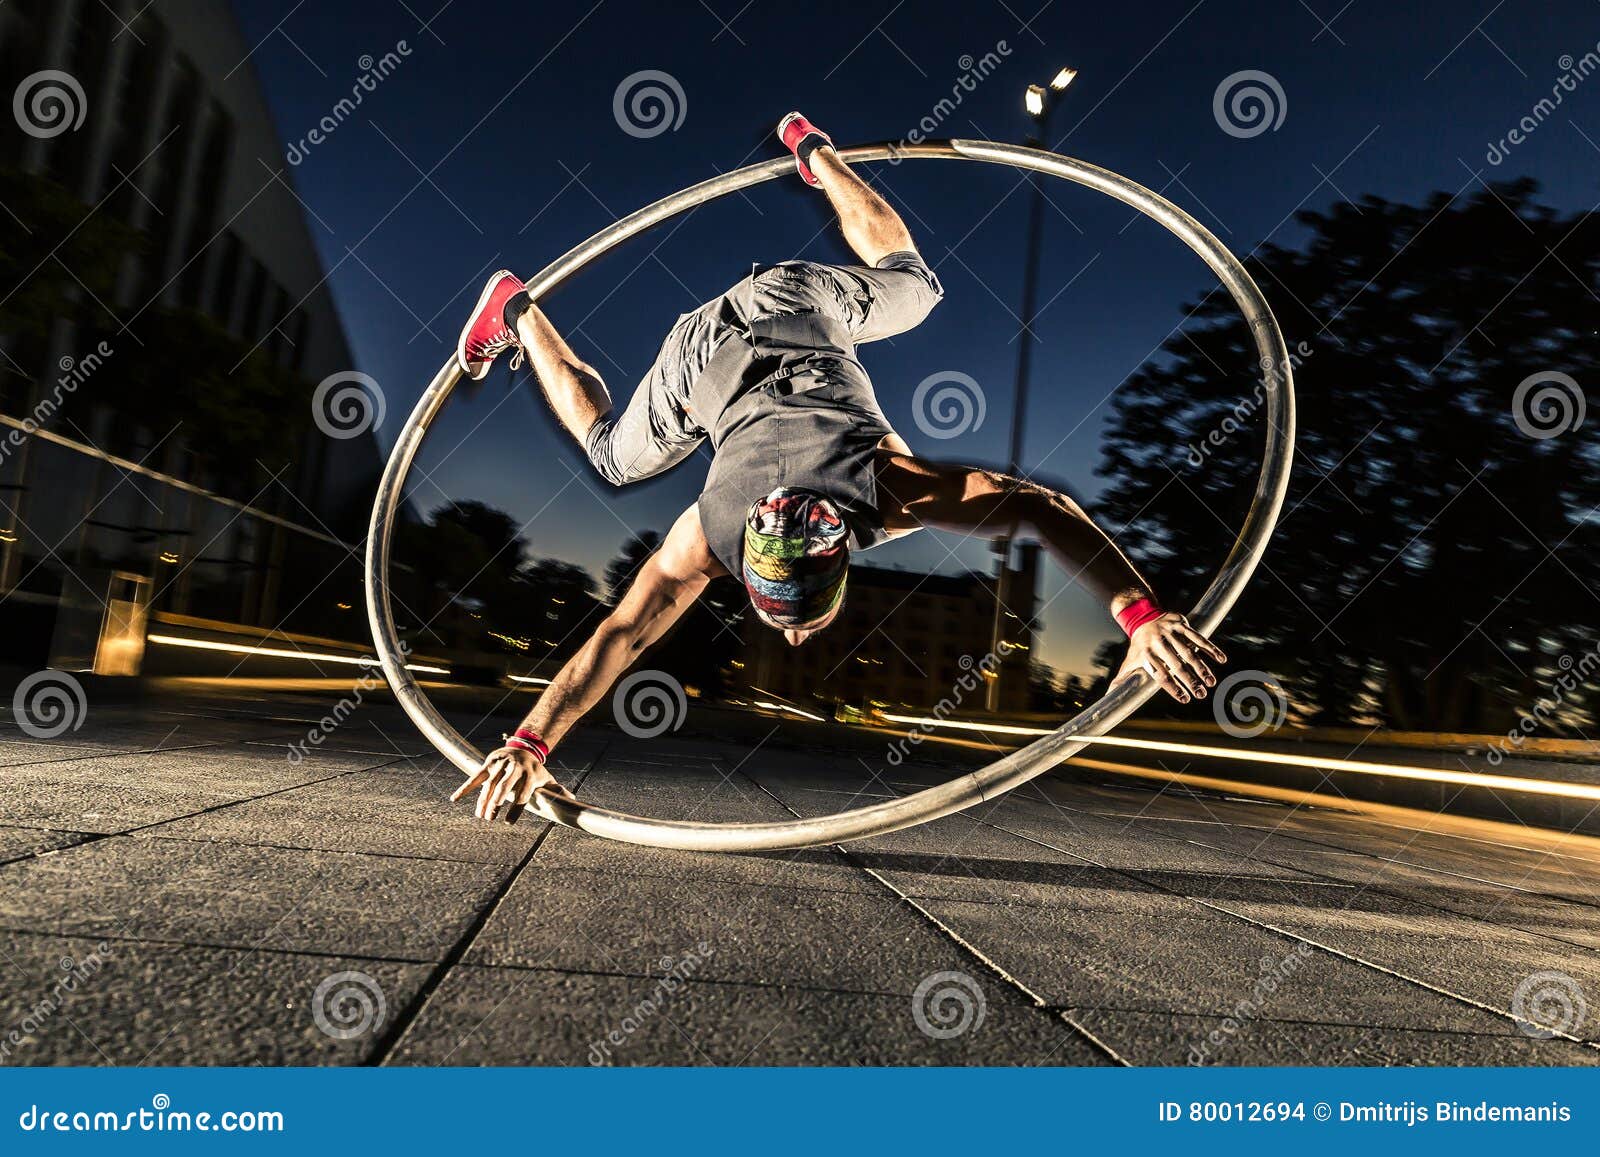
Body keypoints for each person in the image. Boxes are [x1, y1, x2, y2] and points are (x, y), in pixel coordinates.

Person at [450, 113, 1226, 823]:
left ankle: (527, 306)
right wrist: (528, 742)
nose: (791, 643)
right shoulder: (744, 527)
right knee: (615, 454)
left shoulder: (872, 497)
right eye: (799, 621)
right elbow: (618, 636)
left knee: (913, 288)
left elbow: (1037, 505)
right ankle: (523, 304)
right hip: (771, 310)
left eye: (790, 621)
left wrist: (1142, 615)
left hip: (749, 332)